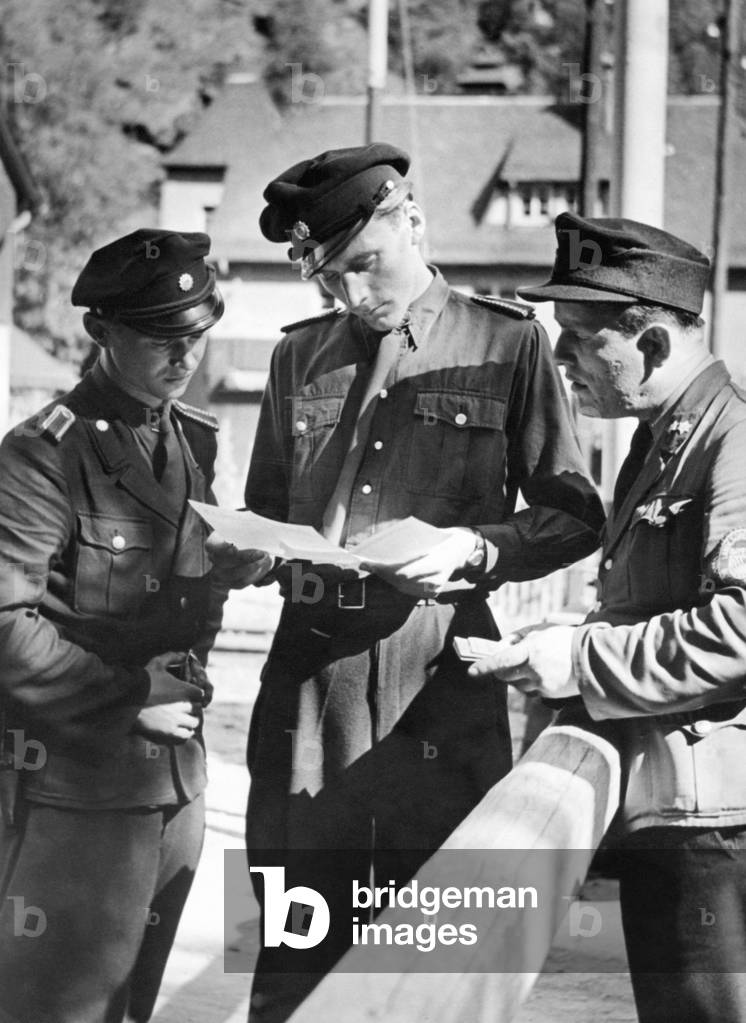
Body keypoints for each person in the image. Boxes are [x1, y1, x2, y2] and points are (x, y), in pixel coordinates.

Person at [207, 142, 604, 1022]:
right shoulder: (296, 358)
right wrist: (250, 555)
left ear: (411, 221)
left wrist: (473, 546)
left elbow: (577, 515)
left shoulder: (507, 346)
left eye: (363, 266)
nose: (351, 296)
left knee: (440, 945)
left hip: (438, 678)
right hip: (307, 682)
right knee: (289, 946)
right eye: (328, 280)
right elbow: (267, 513)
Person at [469, 211, 746, 1023]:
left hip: (717, 825)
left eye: (578, 339)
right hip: (676, 807)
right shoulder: (663, 439)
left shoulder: (731, 443)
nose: (559, 361)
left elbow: (740, 627)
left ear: (651, 345)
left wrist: (580, 660)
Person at [0, 229, 227, 1023]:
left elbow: (186, 597)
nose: (185, 356)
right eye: (163, 338)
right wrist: (131, 696)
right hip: (79, 797)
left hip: (175, 787)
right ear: (103, 332)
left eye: (197, 334)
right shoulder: (39, 456)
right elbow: (4, 628)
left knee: (132, 1011)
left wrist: (231, 570)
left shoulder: (193, 437)